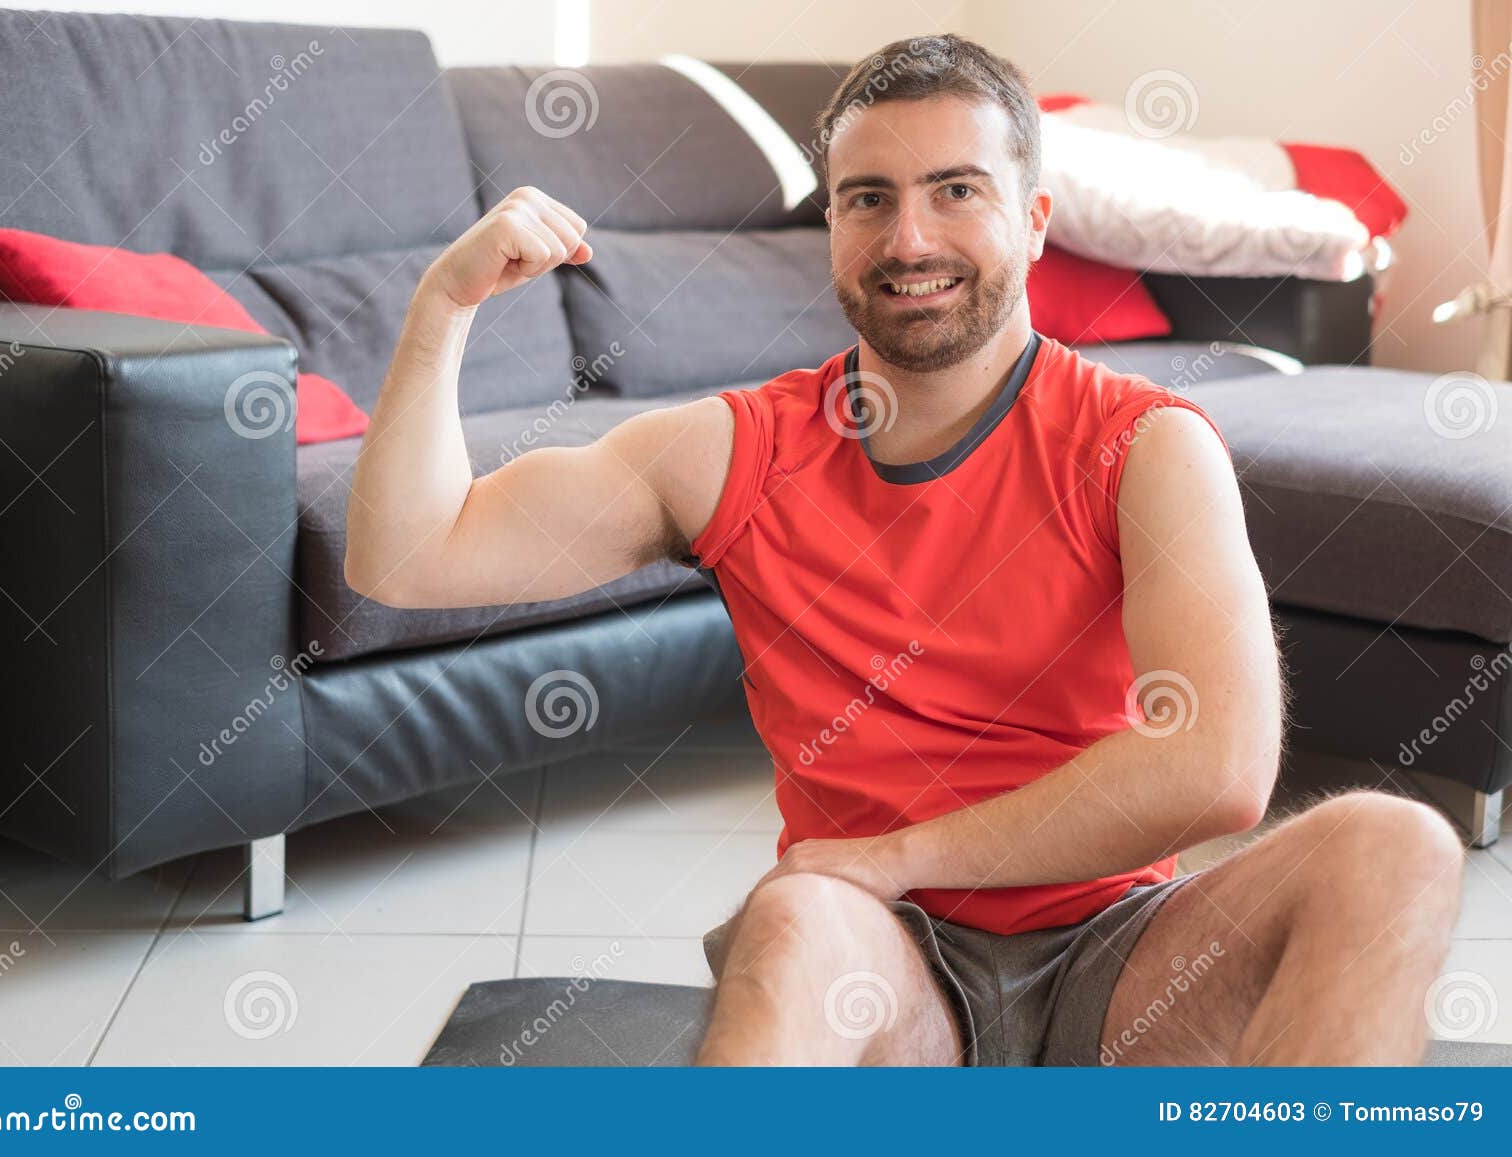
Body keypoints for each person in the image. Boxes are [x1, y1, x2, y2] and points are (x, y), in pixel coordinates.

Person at [345, 34, 1465, 1066]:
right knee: (793, 914)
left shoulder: (1145, 444)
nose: (908, 239)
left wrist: (890, 852)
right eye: (866, 199)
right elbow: (408, 561)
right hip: (886, 972)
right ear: (828, 225)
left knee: (1395, 843)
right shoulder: (732, 451)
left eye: (956, 192)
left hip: (1123, 970)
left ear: (1033, 219)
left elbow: (1220, 767)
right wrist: (443, 306)